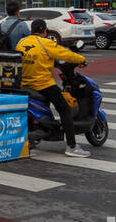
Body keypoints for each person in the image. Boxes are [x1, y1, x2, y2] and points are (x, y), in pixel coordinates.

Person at [17, 18, 90, 158]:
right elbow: (65, 54)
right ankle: (72, 146)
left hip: (24, 84)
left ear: (32, 31)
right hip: (42, 84)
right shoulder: (46, 43)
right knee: (64, 109)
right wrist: (82, 59)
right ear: (44, 31)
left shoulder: (22, 42)